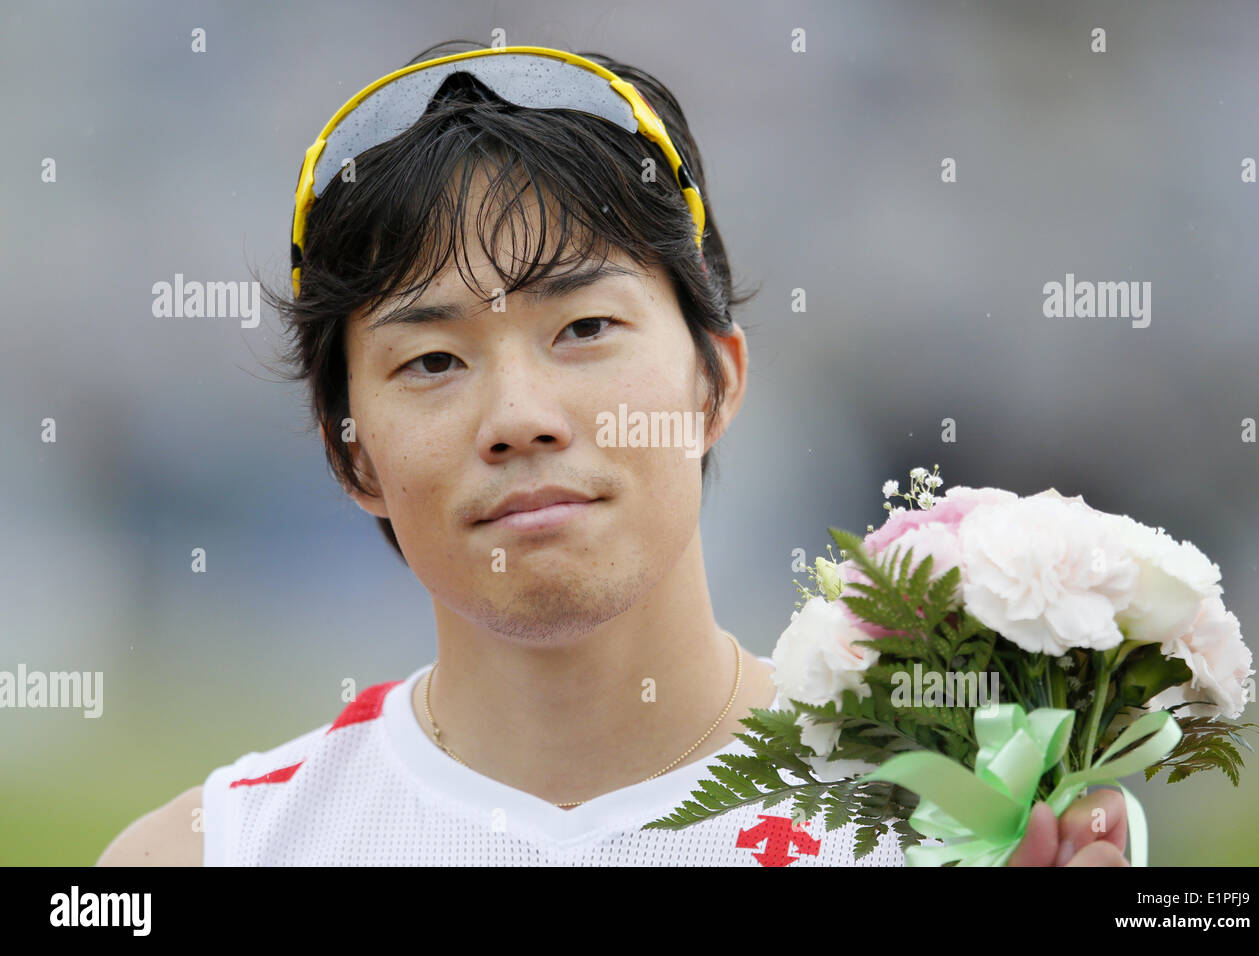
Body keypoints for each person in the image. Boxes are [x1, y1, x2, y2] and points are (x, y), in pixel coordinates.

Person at [97, 40, 1129, 867]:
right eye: (433, 358)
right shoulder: (207, 854)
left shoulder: (960, 827)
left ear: (714, 380)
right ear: (348, 452)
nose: (519, 414)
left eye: (583, 328)